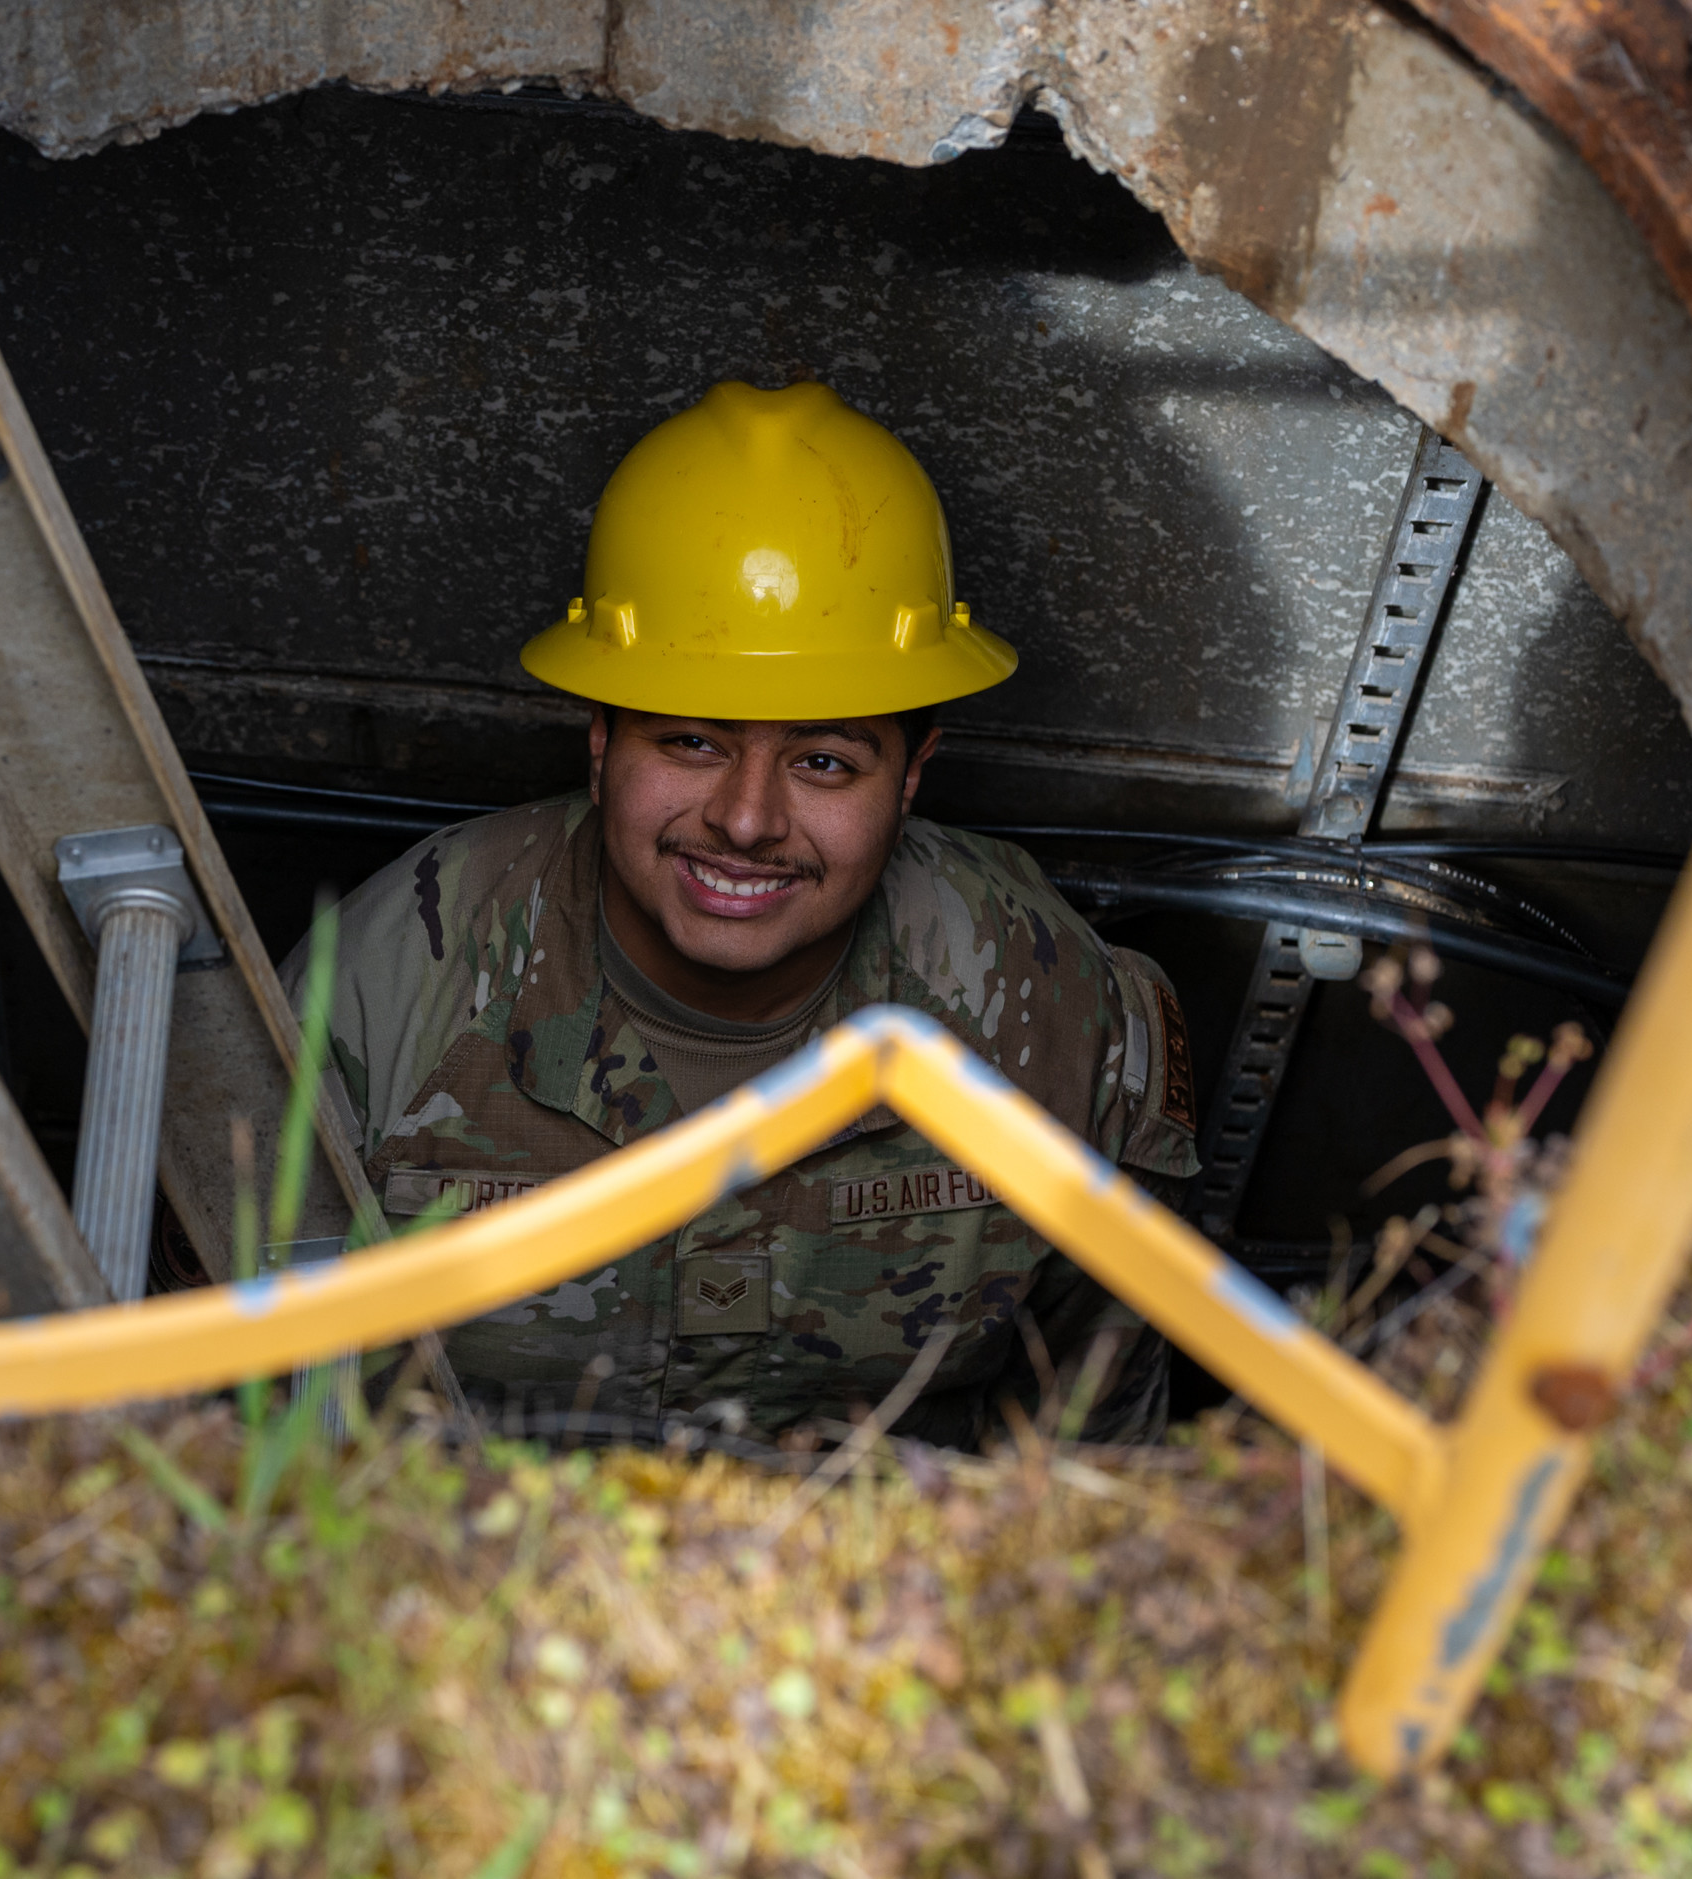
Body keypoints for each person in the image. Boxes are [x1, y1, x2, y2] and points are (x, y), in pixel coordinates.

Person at [287, 381, 1201, 1450]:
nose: (746, 819)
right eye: (689, 742)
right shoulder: (379, 984)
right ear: (599, 741)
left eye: (821, 761)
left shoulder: (1053, 1006)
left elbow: (1101, 1449)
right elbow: (236, 1410)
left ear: (911, 776)